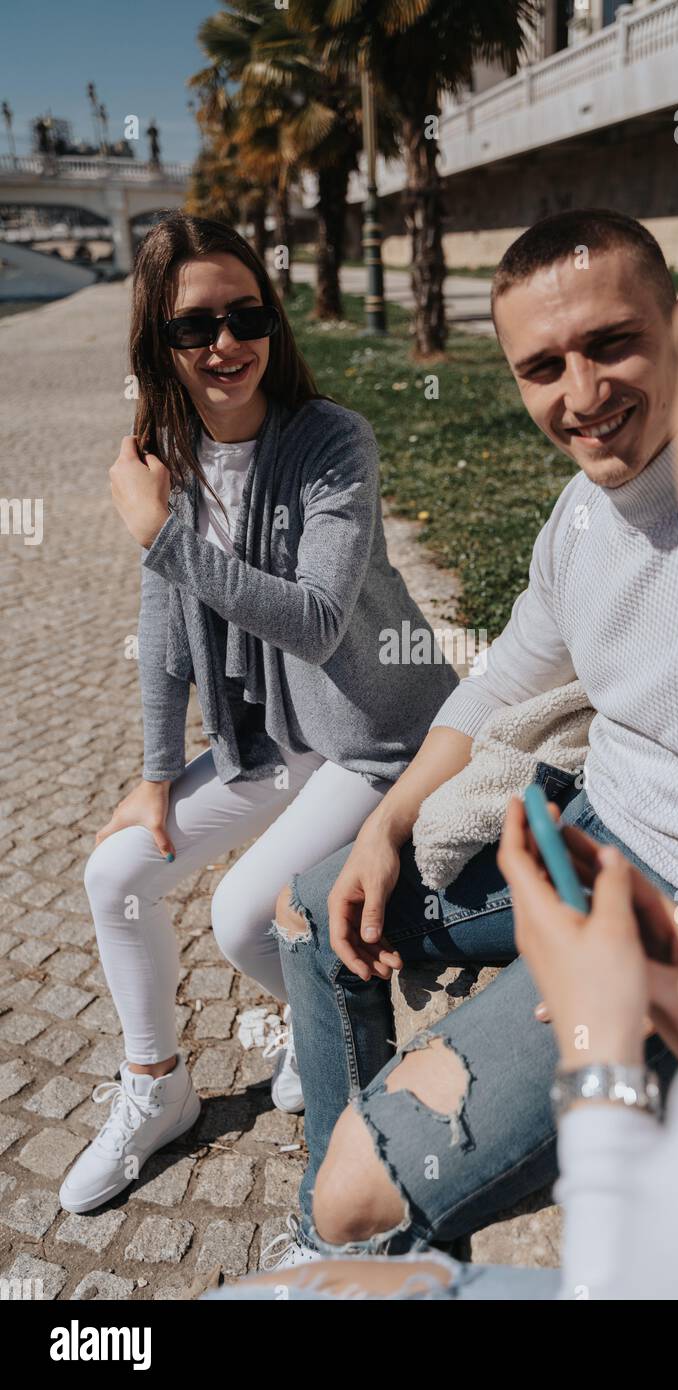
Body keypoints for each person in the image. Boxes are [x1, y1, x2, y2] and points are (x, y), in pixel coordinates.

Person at [208, 0, 678, 1300]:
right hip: (579, 843)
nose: (579, 394)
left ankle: (354, 1227)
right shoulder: (579, 514)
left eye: (611, 345)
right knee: (307, 902)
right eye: (539, 367)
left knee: (354, 1188)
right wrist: (395, 814)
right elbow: (507, 673)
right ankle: (355, 1225)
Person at [58, 213, 457, 1215]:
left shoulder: (331, 443)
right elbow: (163, 626)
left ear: (272, 322)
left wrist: (163, 536)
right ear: (160, 344)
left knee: (246, 923)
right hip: (276, 737)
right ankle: (158, 1089)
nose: (226, 341)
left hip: (372, 735)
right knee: (115, 871)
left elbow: (320, 621)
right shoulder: (170, 453)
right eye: (196, 326)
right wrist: (155, 775)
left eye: (247, 315)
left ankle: (334, 1033)